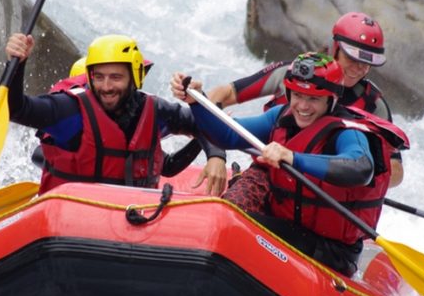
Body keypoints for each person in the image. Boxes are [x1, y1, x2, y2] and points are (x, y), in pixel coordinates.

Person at [173, 52, 409, 277]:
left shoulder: (348, 131)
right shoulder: (281, 116)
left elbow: (360, 168)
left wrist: (294, 158)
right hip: (290, 226)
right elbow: (227, 135)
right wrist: (197, 102)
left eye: (313, 98)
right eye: (297, 95)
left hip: (331, 250)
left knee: (233, 227)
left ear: (331, 99)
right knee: (228, 218)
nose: (303, 106)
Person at [169, 12, 404, 206]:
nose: (359, 68)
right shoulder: (291, 77)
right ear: (335, 49)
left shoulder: (367, 112)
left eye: (367, 63)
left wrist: (324, 168)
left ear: (331, 100)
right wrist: (215, 153)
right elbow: (224, 115)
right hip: (270, 173)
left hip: (327, 189)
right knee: (234, 209)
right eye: (352, 58)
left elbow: (383, 170)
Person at [5, 32, 227, 195]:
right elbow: (16, 109)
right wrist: (17, 65)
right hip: (72, 224)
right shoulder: (70, 109)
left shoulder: (153, 110)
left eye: (116, 77)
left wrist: (216, 155)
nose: (106, 86)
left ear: (134, 78)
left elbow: (204, 122)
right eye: (99, 77)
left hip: (134, 222)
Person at [32, 55, 223, 180]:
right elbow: (40, 154)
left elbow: (168, 166)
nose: (107, 90)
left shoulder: (140, 115)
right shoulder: (71, 122)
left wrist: (208, 145)